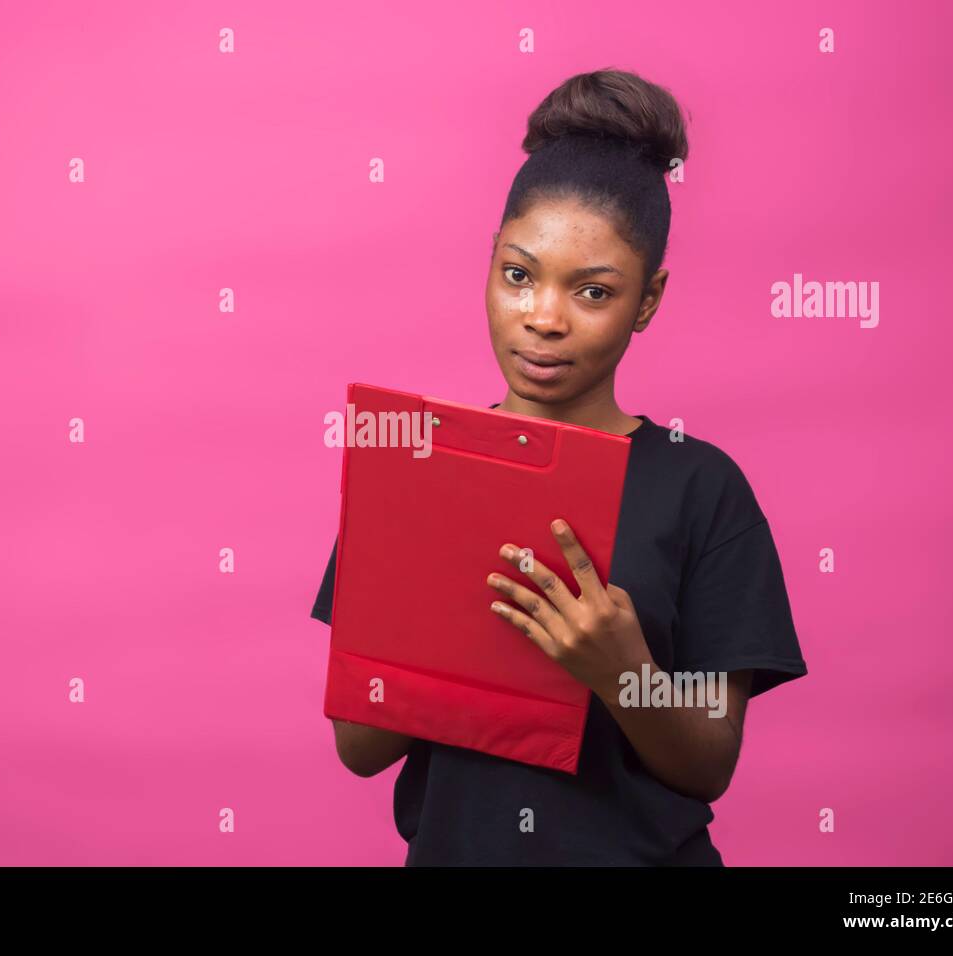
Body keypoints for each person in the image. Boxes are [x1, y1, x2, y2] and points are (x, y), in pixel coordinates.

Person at [310, 68, 808, 866]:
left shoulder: (702, 486)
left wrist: (620, 669)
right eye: (519, 274)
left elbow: (709, 765)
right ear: (491, 267)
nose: (544, 317)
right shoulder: (416, 462)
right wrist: (447, 611)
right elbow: (359, 745)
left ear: (647, 301)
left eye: (593, 291)